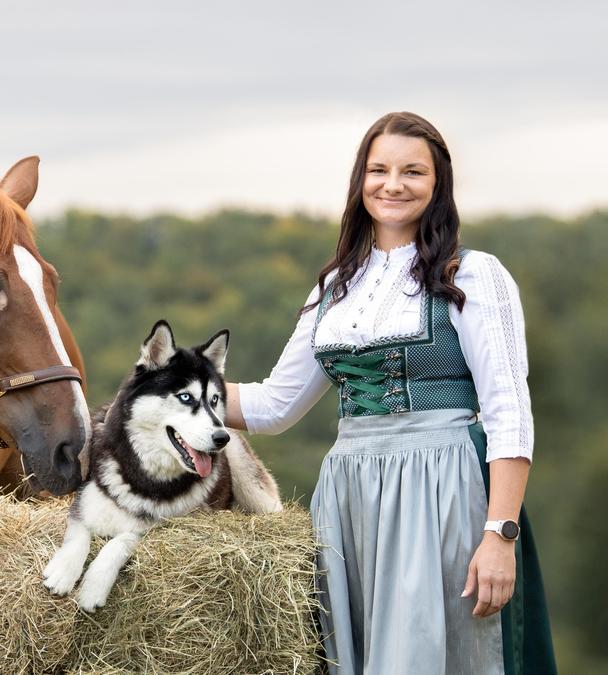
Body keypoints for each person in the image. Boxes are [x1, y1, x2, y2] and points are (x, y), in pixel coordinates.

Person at [224, 112, 556, 674]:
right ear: (360, 181)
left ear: (438, 184)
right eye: (378, 169)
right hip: (350, 497)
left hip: (441, 487)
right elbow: (272, 406)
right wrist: (163, 393)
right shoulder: (336, 286)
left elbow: (509, 413)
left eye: (412, 172)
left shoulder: (472, 274)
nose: (393, 184)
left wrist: (500, 533)